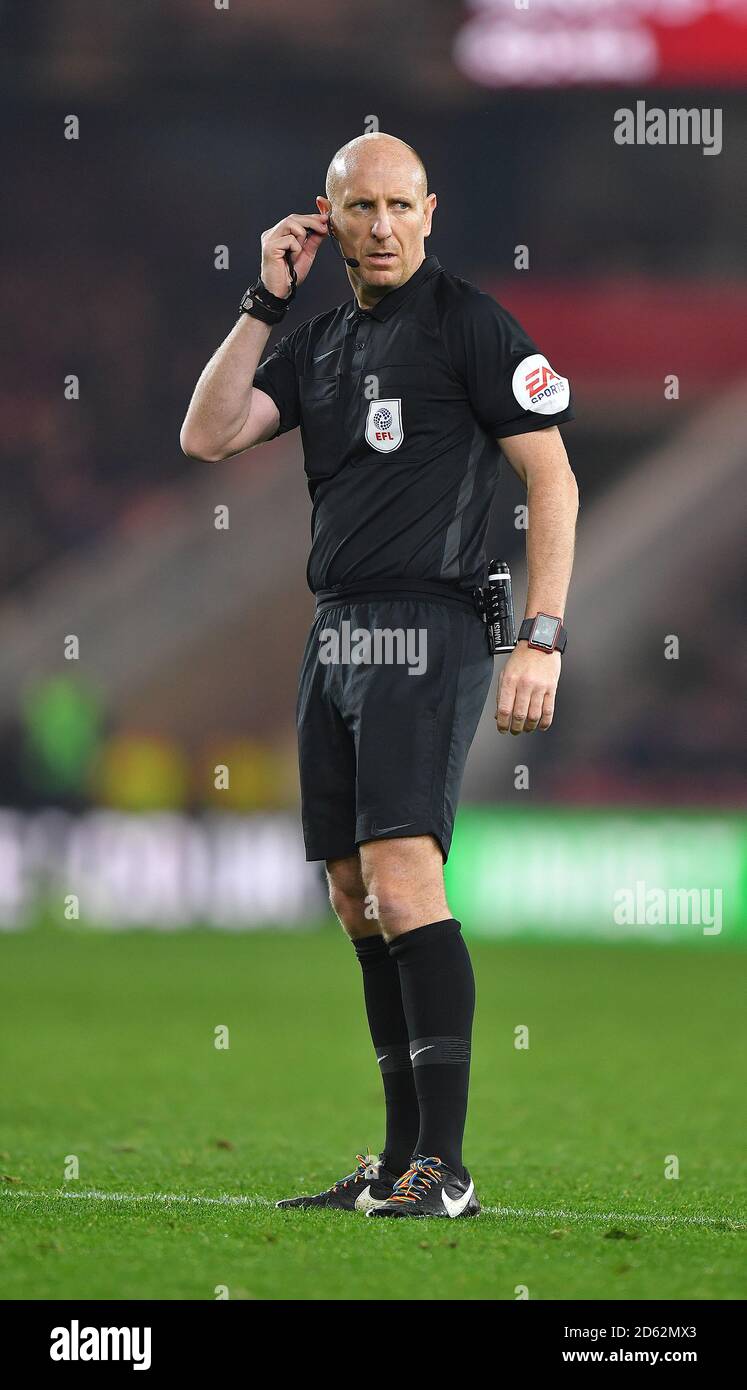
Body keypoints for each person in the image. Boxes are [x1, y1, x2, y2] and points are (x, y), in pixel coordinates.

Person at [181, 132, 579, 1219]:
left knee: (404, 877)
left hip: (430, 624)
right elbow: (208, 433)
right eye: (363, 208)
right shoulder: (312, 344)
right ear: (329, 217)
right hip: (339, 632)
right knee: (356, 897)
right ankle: (400, 1157)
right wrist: (260, 303)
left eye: (403, 205)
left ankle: (445, 1170)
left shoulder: (472, 326)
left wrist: (540, 635)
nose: (385, 226)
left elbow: (552, 478)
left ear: (432, 211)